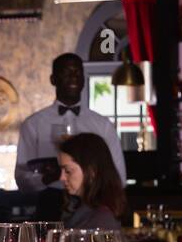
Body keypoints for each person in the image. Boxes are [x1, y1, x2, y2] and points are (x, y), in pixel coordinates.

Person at [14, 53, 127, 193]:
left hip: (92, 201)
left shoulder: (103, 125)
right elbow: (21, 179)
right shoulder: (33, 124)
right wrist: (47, 178)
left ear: (84, 80)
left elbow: (119, 178)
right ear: (53, 79)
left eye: (78, 72)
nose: (73, 77)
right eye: (66, 72)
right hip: (50, 200)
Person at [58, 133, 125, 231]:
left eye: (68, 171)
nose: (61, 178)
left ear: (91, 171)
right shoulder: (82, 210)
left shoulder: (101, 219)